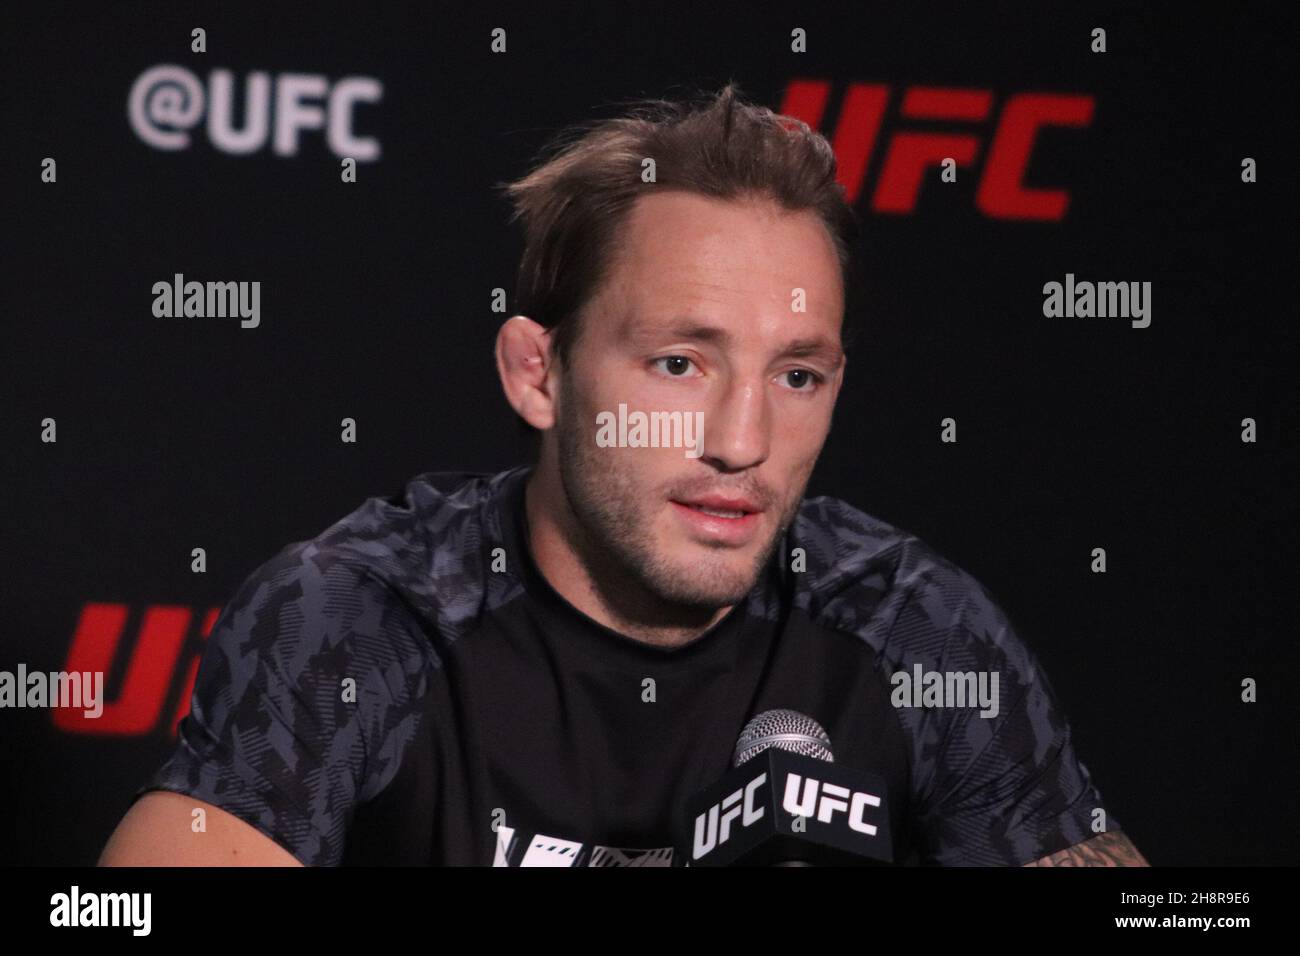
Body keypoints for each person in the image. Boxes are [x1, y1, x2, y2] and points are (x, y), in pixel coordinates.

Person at [100, 83, 1147, 867]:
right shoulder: (365, 612)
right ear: (536, 372)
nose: (742, 441)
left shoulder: (910, 623)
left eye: (796, 374)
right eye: (679, 363)